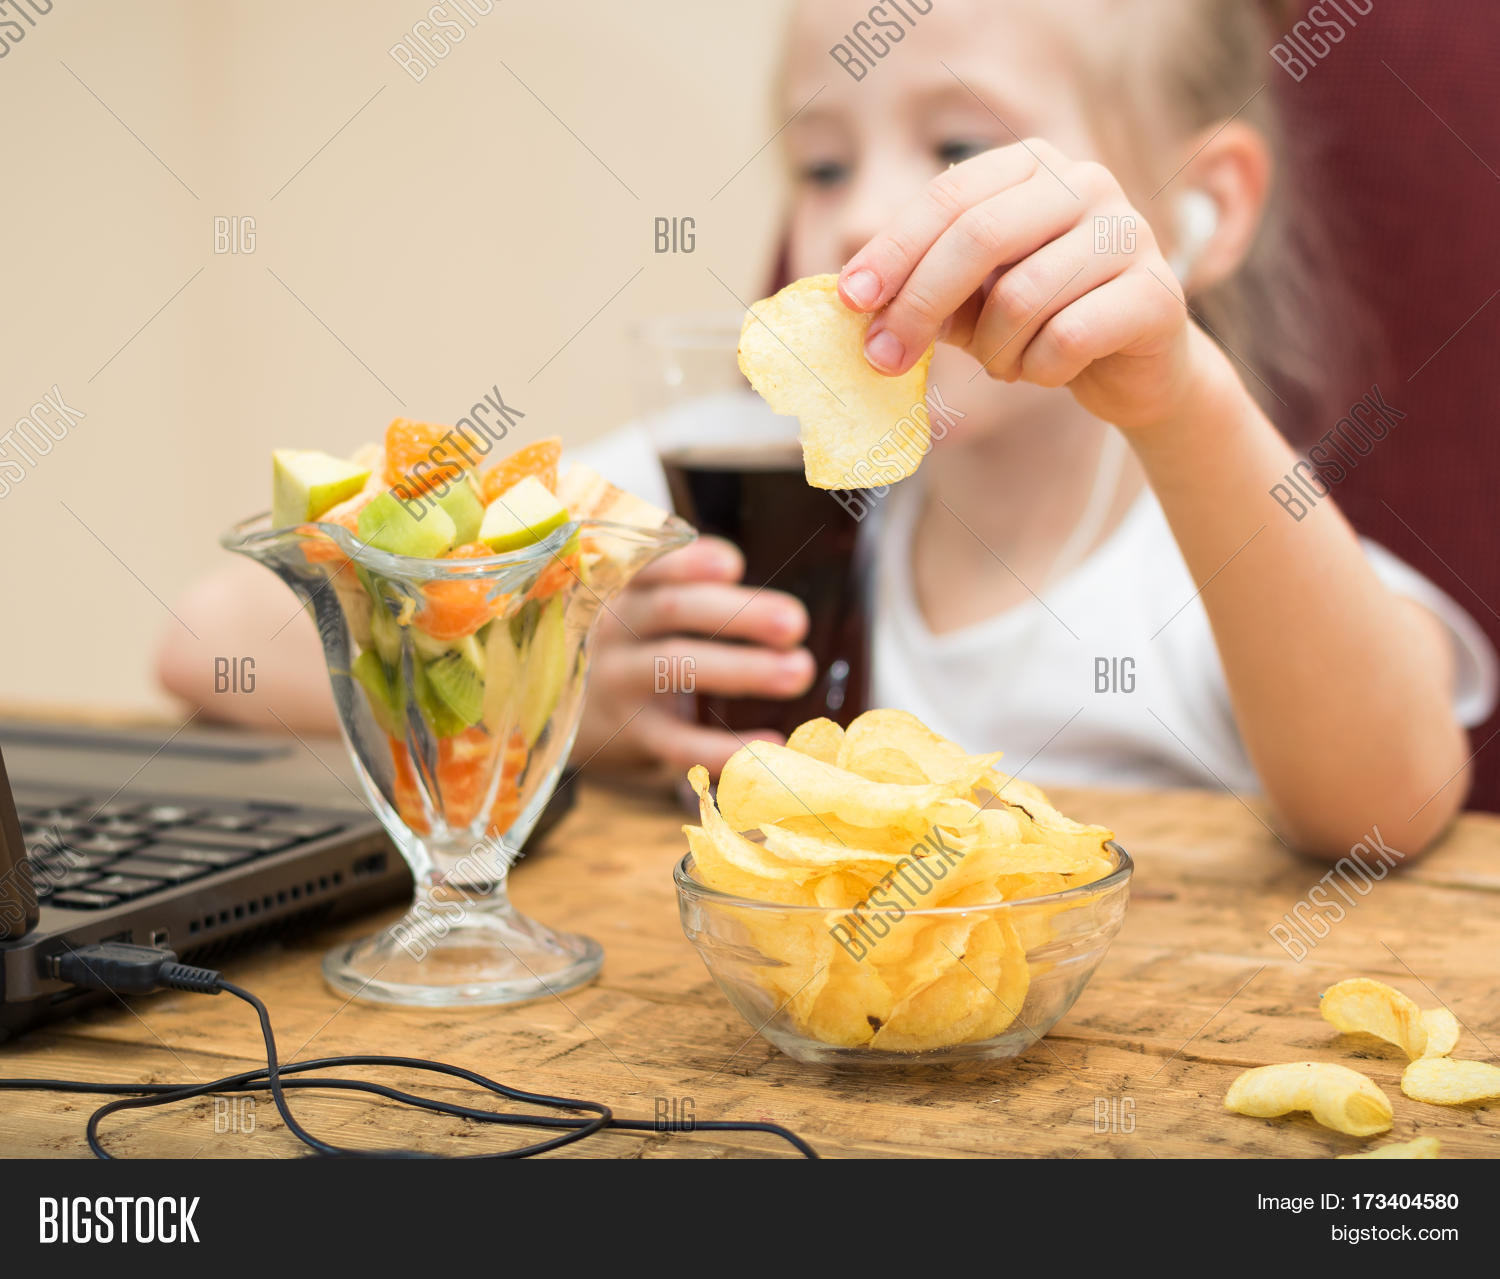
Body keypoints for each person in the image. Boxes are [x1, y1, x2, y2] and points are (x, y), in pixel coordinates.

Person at [158, 0, 1495, 860]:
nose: (865, 216)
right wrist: (548, 678)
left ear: (1198, 215)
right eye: (822, 165)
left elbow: (1388, 801)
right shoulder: (741, 469)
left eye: (962, 147)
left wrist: (1182, 395)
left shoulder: (1202, 543)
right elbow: (212, 635)